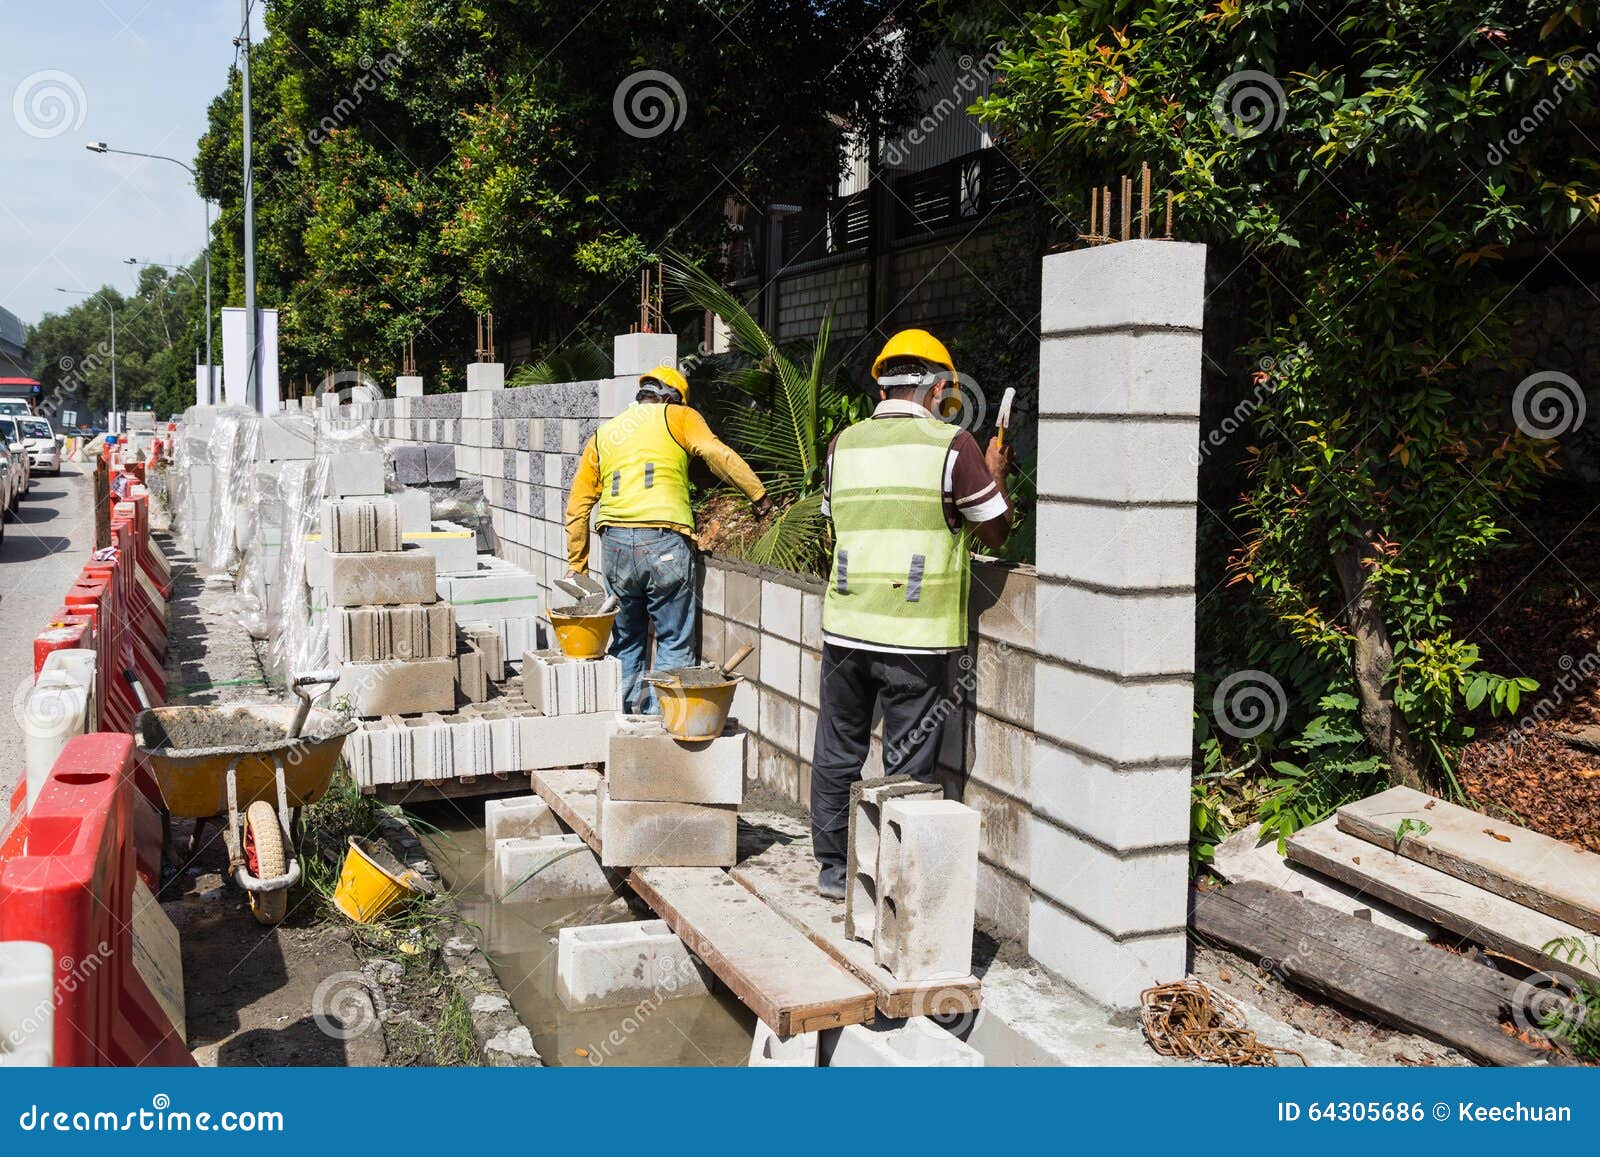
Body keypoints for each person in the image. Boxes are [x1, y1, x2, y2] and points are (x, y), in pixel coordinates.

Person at [810, 329, 1014, 899]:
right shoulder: (955, 446)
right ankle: (892, 883)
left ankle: (834, 870)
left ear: (882, 386)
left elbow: (837, 519)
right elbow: (995, 530)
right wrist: (996, 471)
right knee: (906, 767)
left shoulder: (843, 445)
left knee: (837, 751)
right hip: (915, 640)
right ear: (941, 389)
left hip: (846, 628)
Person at [564, 364, 771, 712]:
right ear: (673, 399)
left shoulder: (605, 433)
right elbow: (715, 452)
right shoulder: (679, 416)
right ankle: (661, 724)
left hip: (614, 544)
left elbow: (577, 505)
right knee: (674, 640)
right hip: (663, 541)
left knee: (626, 640)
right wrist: (758, 495)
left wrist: (577, 564)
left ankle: (624, 720)